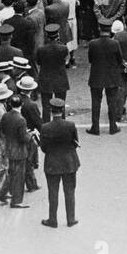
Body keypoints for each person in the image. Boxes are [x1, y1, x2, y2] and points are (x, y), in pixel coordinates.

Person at [39, 97, 79, 227]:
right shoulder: (70, 125)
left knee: (53, 192)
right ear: (62, 111)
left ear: (51, 111)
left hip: (52, 163)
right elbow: (75, 142)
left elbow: (43, 147)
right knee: (70, 191)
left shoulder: (45, 127)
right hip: (69, 162)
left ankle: (53, 219)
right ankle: (71, 219)